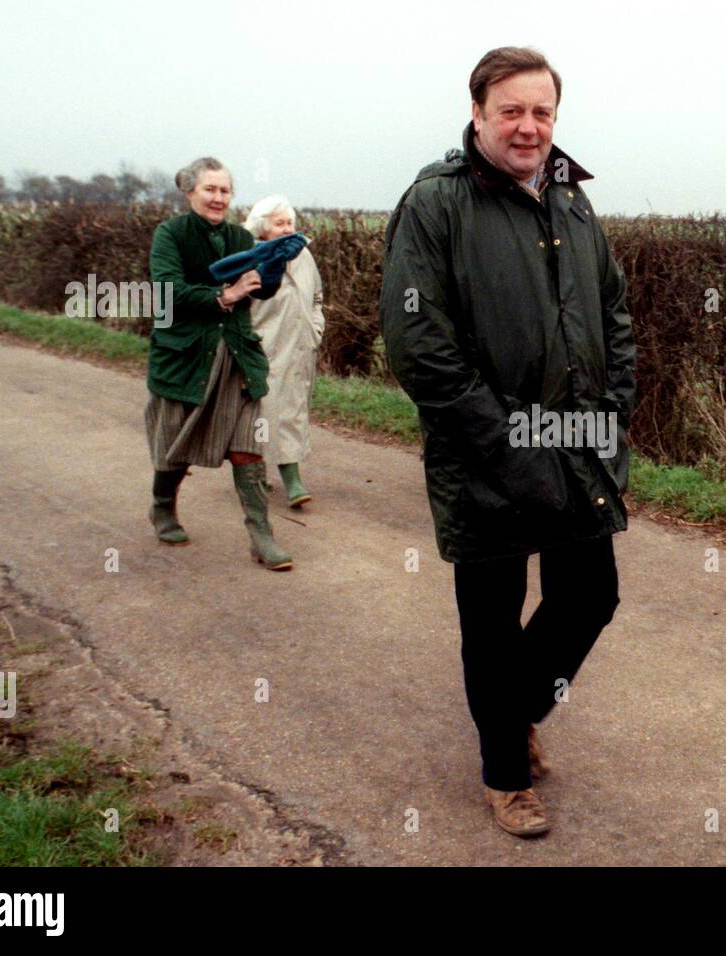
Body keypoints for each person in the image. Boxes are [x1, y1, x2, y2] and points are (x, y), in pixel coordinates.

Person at [380, 47, 636, 837]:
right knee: (491, 620)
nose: (529, 128)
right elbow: (418, 341)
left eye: (542, 112)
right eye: (512, 111)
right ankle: (503, 773)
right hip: (484, 450)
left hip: (577, 443)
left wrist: (616, 406)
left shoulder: (571, 200)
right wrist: (504, 440)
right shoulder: (436, 202)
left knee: (590, 597)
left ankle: (515, 714)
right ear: (480, 113)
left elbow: (614, 313)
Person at [144, 156, 293, 570]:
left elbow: (260, 291)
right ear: (190, 191)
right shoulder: (170, 235)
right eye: (210, 189)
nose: (218, 198)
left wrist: (275, 264)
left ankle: (261, 536)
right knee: (174, 447)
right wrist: (223, 296)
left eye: (225, 190)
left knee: (248, 447)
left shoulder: (240, 239)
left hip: (237, 358)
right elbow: (167, 289)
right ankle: (162, 506)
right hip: (186, 358)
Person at [244, 196, 325, 508]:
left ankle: (271, 474)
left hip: (302, 347)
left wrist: (316, 328)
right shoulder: (250, 257)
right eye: (279, 223)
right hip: (266, 349)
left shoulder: (303, 254)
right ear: (262, 229)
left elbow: (317, 296)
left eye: (290, 222)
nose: (287, 229)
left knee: (290, 411)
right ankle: (286, 479)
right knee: (265, 413)